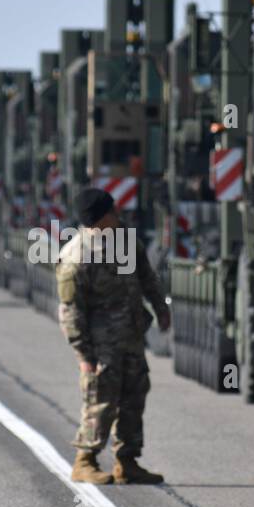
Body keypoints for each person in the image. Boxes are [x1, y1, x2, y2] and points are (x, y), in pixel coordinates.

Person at [57, 187, 170, 485]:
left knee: (134, 395)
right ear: (101, 217)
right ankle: (85, 460)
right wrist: (83, 354)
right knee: (100, 400)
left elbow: (147, 277)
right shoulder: (77, 255)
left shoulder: (125, 242)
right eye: (112, 210)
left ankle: (127, 460)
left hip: (131, 336)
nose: (117, 213)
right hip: (100, 344)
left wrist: (161, 309)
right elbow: (70, 311)